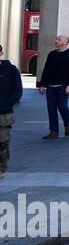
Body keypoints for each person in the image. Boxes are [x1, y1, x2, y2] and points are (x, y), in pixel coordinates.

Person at [37, 34, 69, 139]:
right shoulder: (52, 54)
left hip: (63, 86)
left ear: (65, 42)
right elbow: (46, 70)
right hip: (51, 86)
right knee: (51, 108)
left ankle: (67, 124)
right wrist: (42, 85)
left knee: (62, 106)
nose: (56, 41)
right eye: (56, 39)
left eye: (59, 39)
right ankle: (54, 131)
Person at [0, 42, 22, 178]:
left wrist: (7, 103)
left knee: (2, 142)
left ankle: (1, 167)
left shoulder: (11, 70)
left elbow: (17, 90)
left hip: (4, 113)